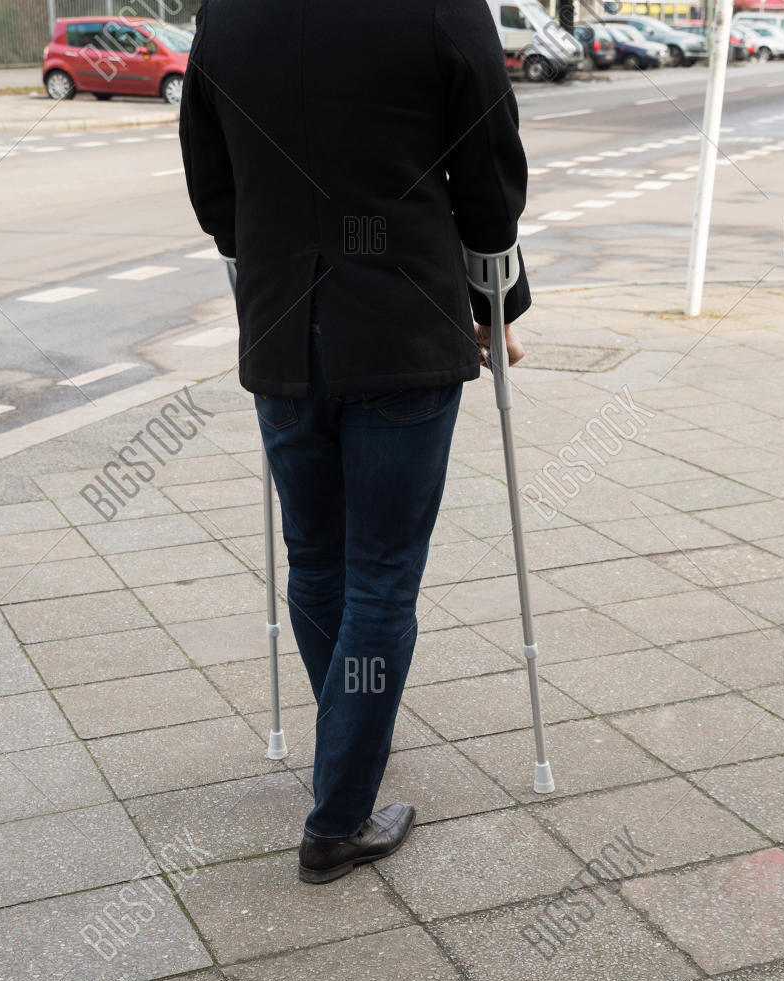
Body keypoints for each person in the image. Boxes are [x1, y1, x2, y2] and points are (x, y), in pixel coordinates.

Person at [181, 0, 532, 883]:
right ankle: (339, 817)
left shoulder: (229, 11)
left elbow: (208, 170)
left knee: (316, 559)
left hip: (281, 327)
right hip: (403, 326)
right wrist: (501, 305)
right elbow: (489, 168)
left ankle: (350, 726)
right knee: (380, 576)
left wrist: (258, 252)